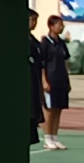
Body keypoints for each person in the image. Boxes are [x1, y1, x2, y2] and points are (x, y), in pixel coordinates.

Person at [29, 10, 71, 154]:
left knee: (59, 108)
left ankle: (55, 136)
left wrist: (68, 80)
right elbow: (42, 64)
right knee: (49, 109)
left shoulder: (61, 43)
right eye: (59, 25)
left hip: (61, 80)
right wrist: (44, 80)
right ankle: (47, 137)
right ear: (51, 26)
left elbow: (65, 61)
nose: (62, 27)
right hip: (50, 79)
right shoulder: (45, 43)